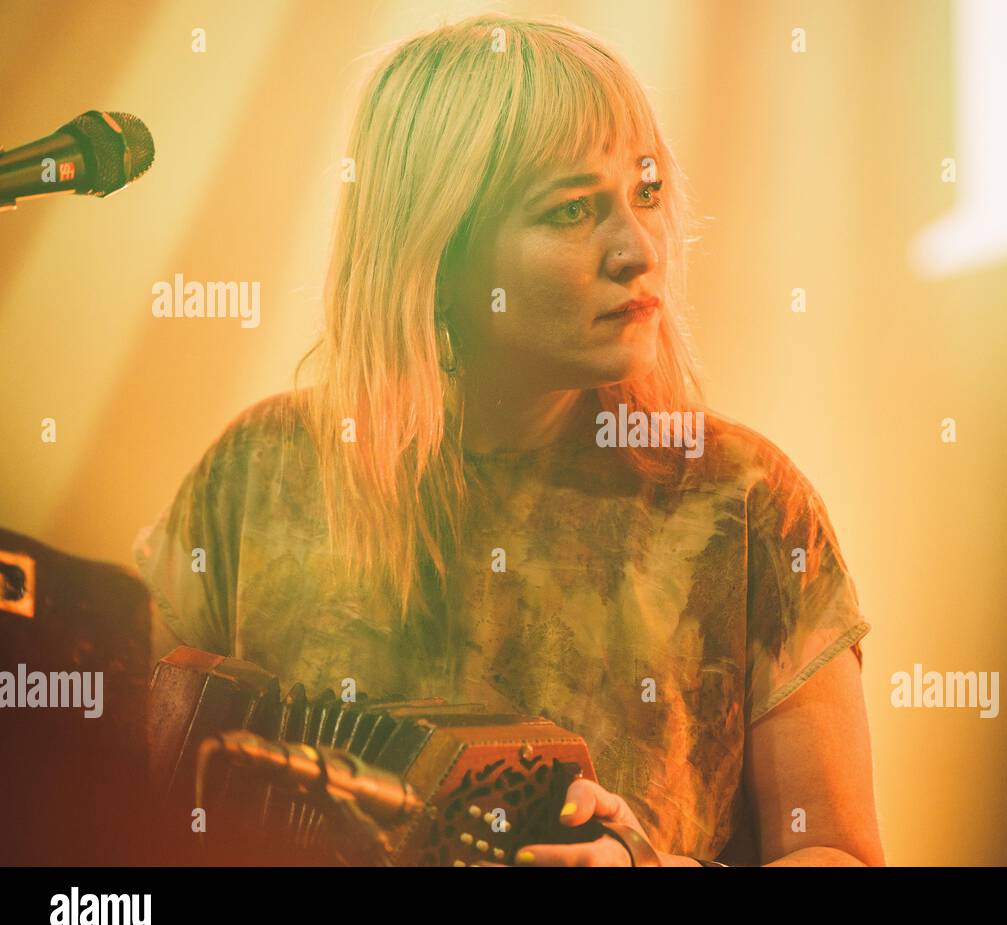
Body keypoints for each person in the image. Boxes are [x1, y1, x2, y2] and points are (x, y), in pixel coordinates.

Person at [134, 12, 884, 867]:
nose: (639, 249)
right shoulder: (259, 475)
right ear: (437, 249)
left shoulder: (745, 498)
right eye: (571, 209)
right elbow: (127, 792)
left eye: (645, 193)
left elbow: (840, 853)